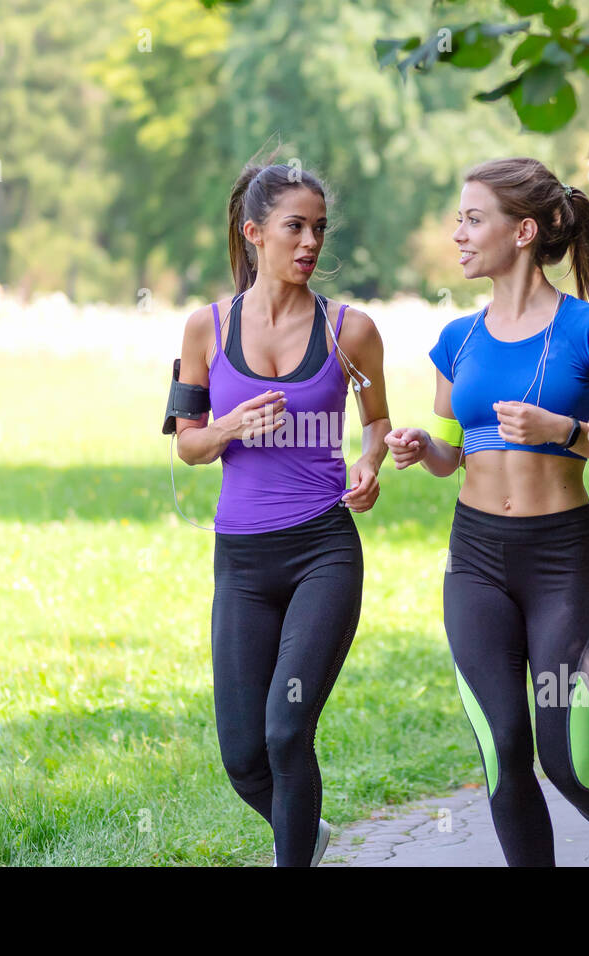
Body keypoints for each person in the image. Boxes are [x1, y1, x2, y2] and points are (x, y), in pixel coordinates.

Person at [386, 157, 589, 867]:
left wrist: (567, 431)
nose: (456, 233)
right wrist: (422, 446)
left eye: (472, 218)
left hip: (559, 562)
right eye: (457, 218)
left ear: (523, 231)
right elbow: (455, 453)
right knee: (503, 753)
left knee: (569, 761)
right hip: (476, 561)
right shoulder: (456, 341)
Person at [170, 158, 392, 866]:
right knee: (243, 756)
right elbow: (188, 445)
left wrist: (368, 463)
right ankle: (306, 833)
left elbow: (377, 420)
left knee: (287, 731)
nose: (310, 243)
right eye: (295, 226)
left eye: (319, 229)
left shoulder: (349, 331)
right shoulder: (204, 331)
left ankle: (293, 855)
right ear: (254, 232)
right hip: (241, 561)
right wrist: (231, 427)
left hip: (322, 549)